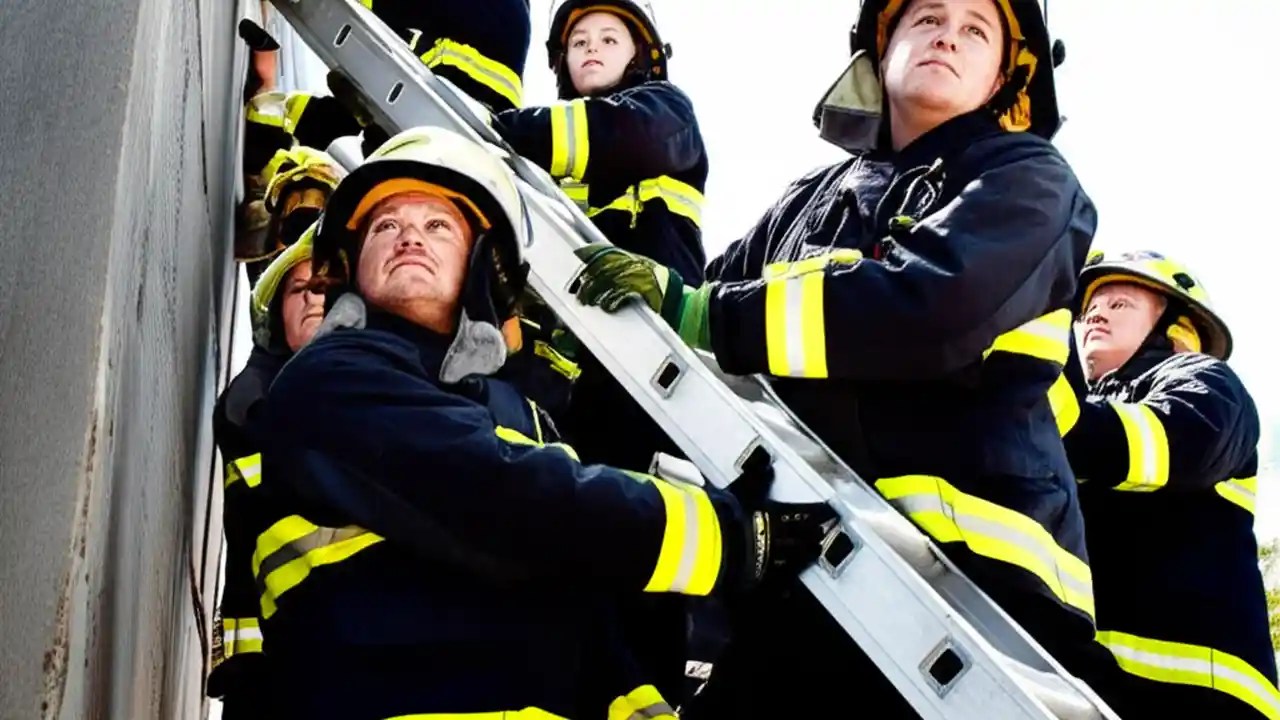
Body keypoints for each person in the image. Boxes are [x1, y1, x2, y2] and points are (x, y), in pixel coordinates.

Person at [570, 0, 1105, 713]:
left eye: (976, 29)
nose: (948, 34)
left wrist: (702, 312)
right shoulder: (808, 201)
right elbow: (699, 320)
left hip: (982, 599)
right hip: (812, 567)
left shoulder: (1028, 177)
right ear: (882, 50)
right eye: (928, 18)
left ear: (1007, 74)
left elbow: (933, 309)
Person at [250, 125, 836, 719]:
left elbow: (585, 614)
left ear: (485, 267)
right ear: (351, 266)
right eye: (386, 226)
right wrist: (718, 536)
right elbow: (503, 499)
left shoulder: (508, 412)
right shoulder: (332, 379)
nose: (409, 240)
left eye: (437, 227)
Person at [1063, 249, 1279, 719]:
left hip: (1197, 691)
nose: (1095, 314)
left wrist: (1064, 420)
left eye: (1119, 305)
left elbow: (1173, 442)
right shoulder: (1086, 401)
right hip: (1111, 682)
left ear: (1178, 333)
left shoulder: (1206, 382)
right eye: (1088, 310)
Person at [208, 226, 326, 718]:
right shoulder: (253, 403)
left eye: (325, 287)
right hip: (280, 655)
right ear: (278, 317)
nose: (314, 298)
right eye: (298, 290)